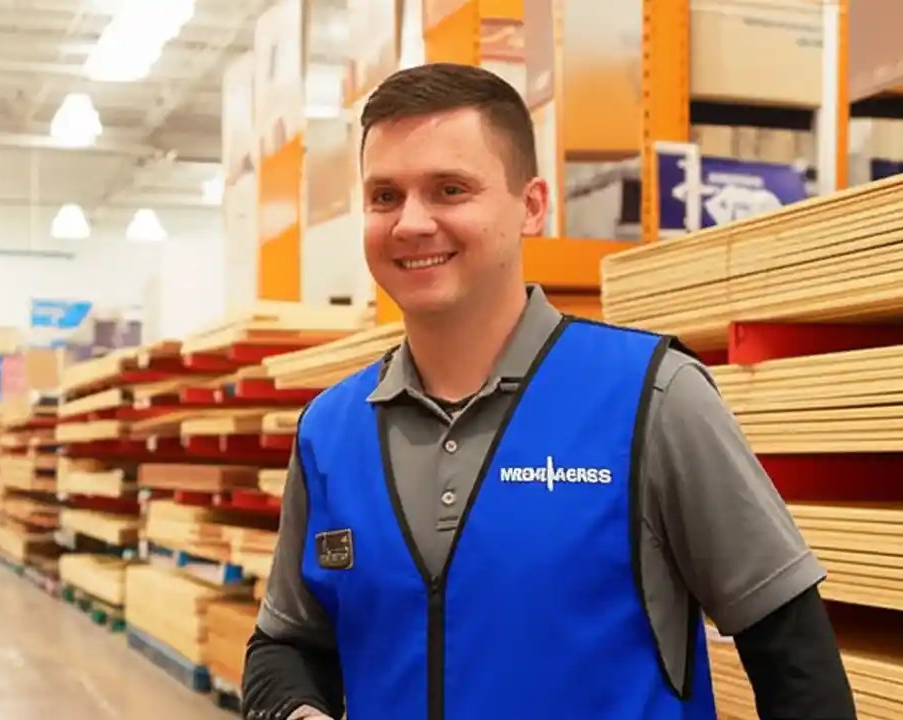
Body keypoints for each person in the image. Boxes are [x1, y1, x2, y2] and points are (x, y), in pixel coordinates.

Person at [240, 63, 856, 720]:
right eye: (385, 196)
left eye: (449, 189)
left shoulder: (651, 398)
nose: (411, 223)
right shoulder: (330, 433)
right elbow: (285, 644)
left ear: (531, 205)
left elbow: (796, 661)